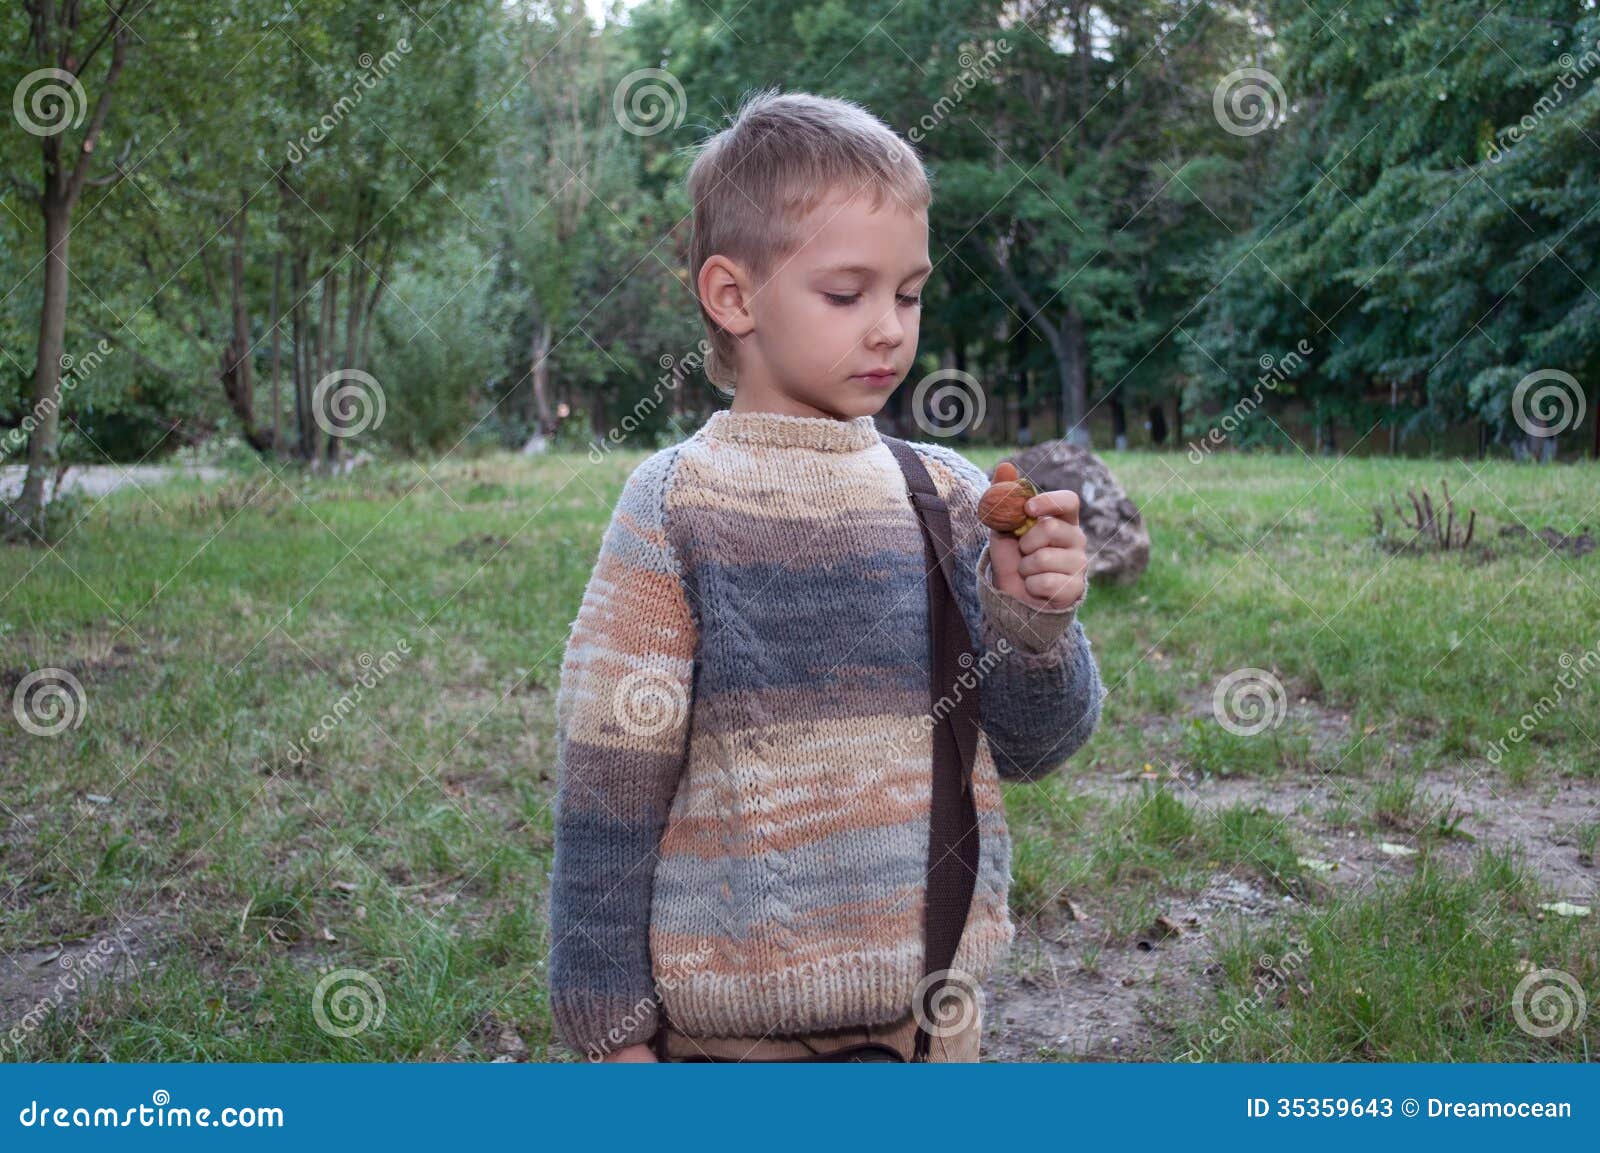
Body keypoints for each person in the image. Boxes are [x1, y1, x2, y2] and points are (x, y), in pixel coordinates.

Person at [546, 89, 1104, 1063]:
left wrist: (1031, 622)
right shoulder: (676, 505)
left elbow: (1033, 746)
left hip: (933, 1026)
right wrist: (607, 1028)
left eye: (910, 292)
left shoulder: (946, 494)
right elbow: (610, 779)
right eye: (847, 295)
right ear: (733, 296)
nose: (888, 328)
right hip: (734, 1044)